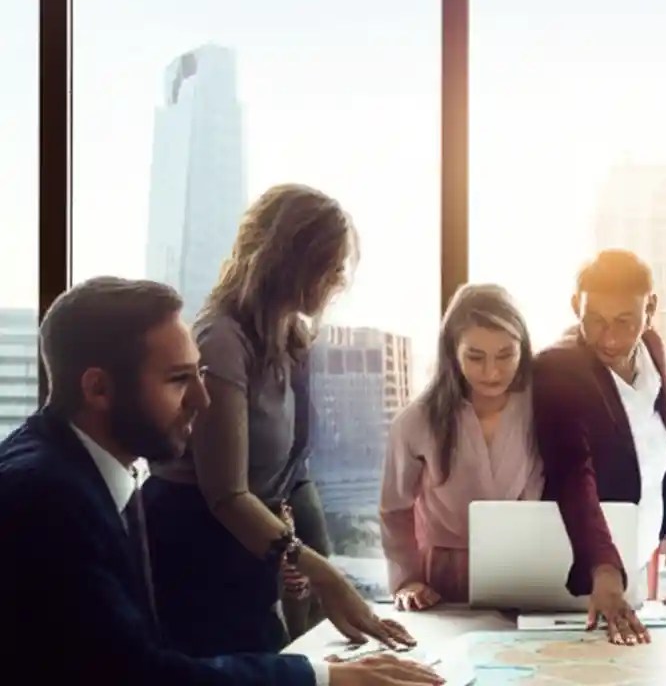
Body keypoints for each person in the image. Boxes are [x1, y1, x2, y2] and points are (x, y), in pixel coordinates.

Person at [0, 277, 441, 686]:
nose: (203, 400)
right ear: (98, 389)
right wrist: (325, 678)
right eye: (178, 380)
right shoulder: (45, 500)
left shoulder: (82, 469)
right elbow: (137, 675)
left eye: (201, 375)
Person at [143, 183, 400, 656]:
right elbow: (226, 494)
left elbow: (295, 472)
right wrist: (319, 570)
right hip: (193, 547)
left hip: (251, 549)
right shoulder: (221, 339)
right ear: (289, 261)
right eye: (330, 265)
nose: (338, 280)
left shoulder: (293, 339)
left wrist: (324, 578)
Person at [533, 249, 666, 646]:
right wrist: (603, 568)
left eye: (625, 321)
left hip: (636, 570)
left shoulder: (652, 348)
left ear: (650, 309)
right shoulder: (558, 369)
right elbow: (572, 472)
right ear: (574, 307)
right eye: (594, 321)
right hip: (587, 574)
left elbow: (659, 439)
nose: (610, 338)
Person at [380, 283, 544, 609]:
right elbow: (395, 510)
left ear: (522, 349)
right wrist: (407, 580)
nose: (492, 372)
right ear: (453, 352)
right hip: (440, 576)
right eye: (475, 356)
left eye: (505, 355)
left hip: (520, 566)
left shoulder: (540, 408)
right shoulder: (418, 420)